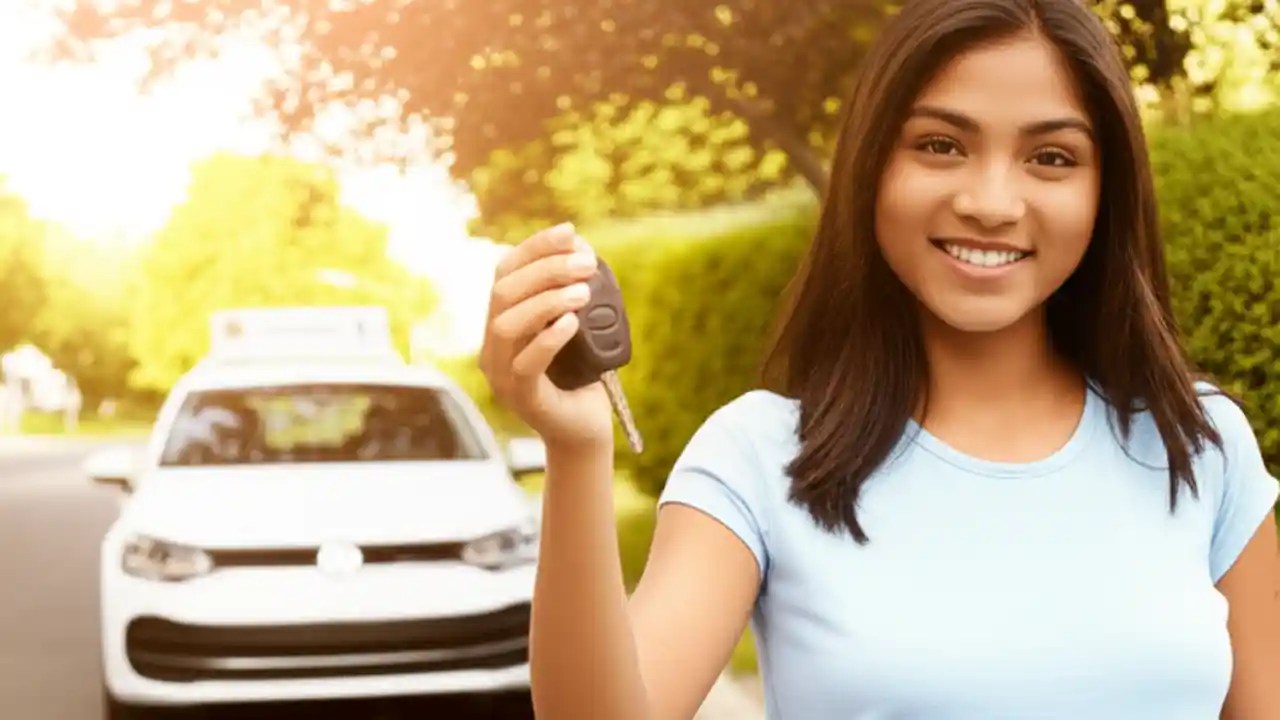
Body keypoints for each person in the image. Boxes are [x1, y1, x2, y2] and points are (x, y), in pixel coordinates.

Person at [479, 0, 1280, 717]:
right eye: (940, 145)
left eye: (1052, 157)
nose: (991, 203)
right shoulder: (759, 458)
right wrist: (578, 451)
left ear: (1109, 193)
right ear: (872, 168)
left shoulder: (1201, 445)